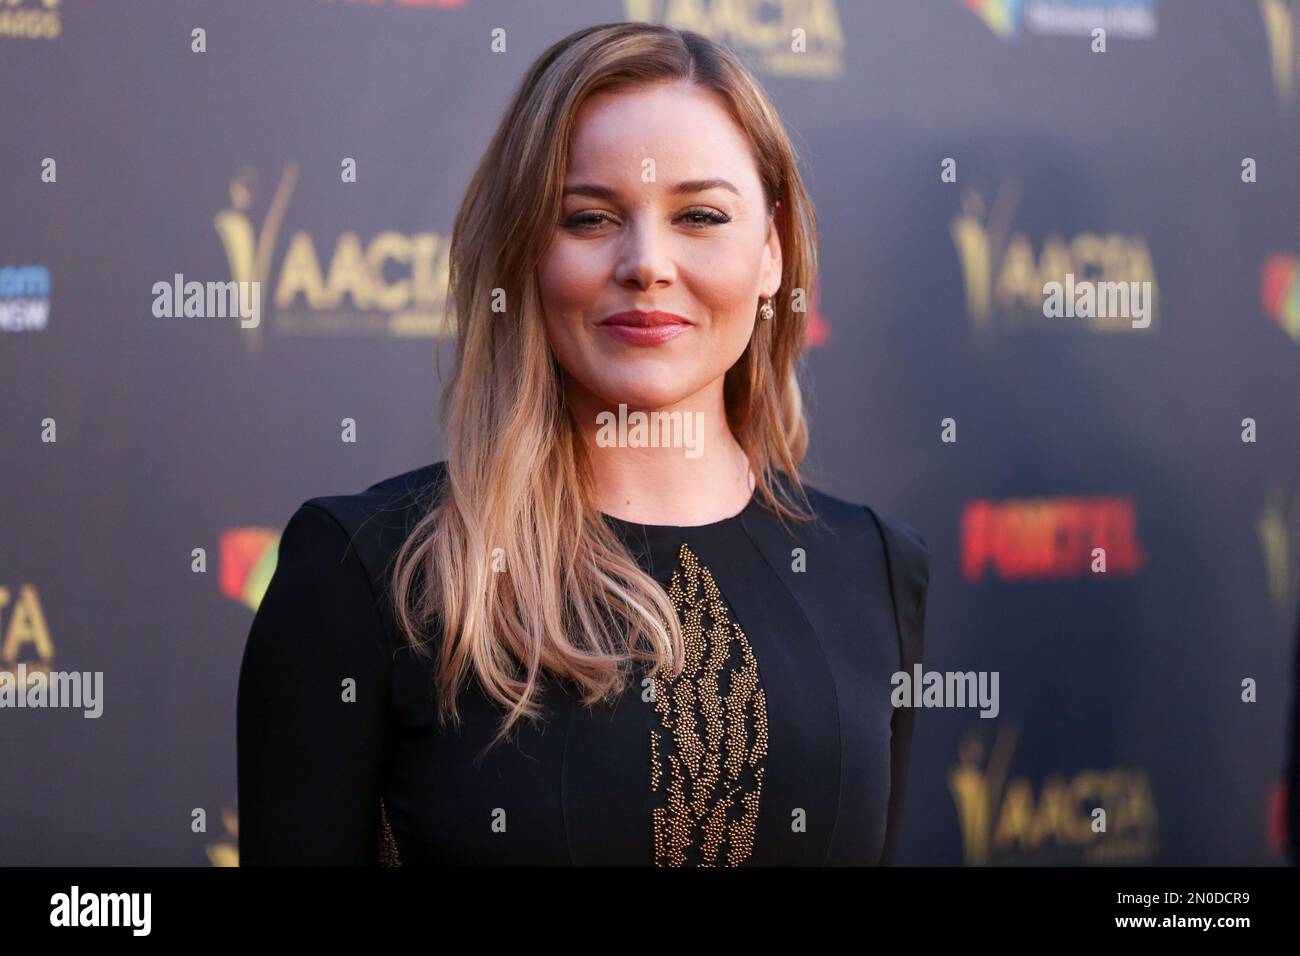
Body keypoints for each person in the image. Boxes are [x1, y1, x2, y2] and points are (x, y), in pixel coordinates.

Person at [236, 21, 929, 867]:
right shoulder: (369, 574)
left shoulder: (877, 569)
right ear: (525, 250)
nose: (647, 263)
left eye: (701, 214)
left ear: (773, 252)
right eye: (591, 218)